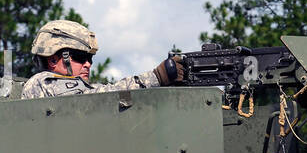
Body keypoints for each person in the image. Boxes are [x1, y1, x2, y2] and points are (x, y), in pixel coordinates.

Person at [19, 19, 185, 99]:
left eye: (90, 59)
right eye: (80, 57)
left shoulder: (74, 89)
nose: (87, 64)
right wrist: (157, 77)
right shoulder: (44, 83)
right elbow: (98, 98)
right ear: (53, 60)